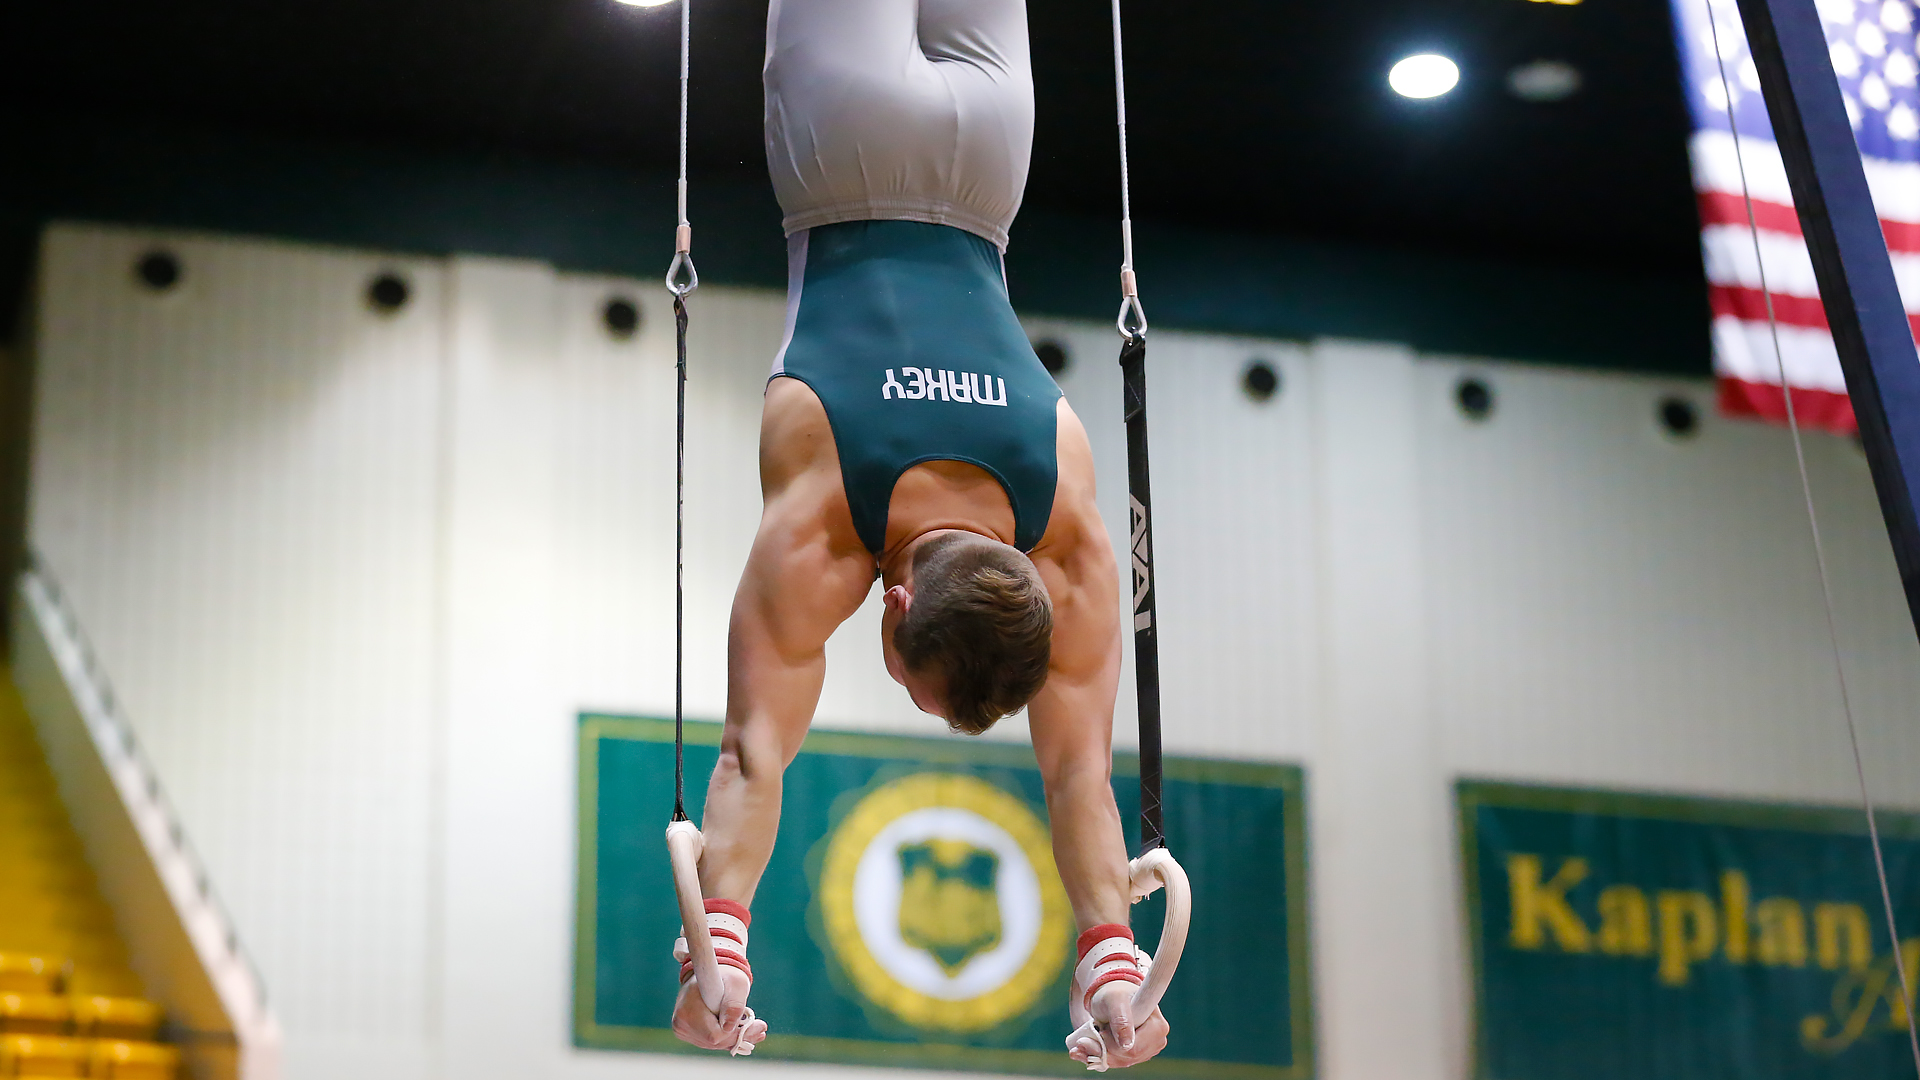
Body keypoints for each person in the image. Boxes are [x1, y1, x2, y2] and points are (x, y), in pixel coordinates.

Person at [670, 0, 1169, 1067]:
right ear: (894, 607)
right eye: (904, 675)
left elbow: (1083, 772)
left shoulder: (1063, 531)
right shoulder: (825, 524)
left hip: (990, 164)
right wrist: (719, 943)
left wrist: (1115, 961)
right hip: (841, 146)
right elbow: (754, 756)